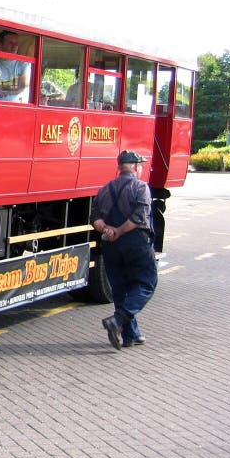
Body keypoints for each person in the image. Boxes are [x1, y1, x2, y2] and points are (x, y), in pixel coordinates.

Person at [90, 150, 157, 351]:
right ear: (135, 167)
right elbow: (139, 217)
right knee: (147, 283)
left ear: (120, 167)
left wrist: (107, 230)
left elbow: (94, 218)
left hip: (111, 246)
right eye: (140, 165)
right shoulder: (140, 187)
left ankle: (130, 335)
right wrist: (119, 231)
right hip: (136, 243)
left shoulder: (104, 189)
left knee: (120, 289)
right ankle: (117, 320)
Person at [0, 30, 31, 102]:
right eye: (10, 43)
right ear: (0, 45)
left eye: (16, 43)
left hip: (19, 108)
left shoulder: (24, 64)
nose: (14, 46)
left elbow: (23, 84)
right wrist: (14, 88)